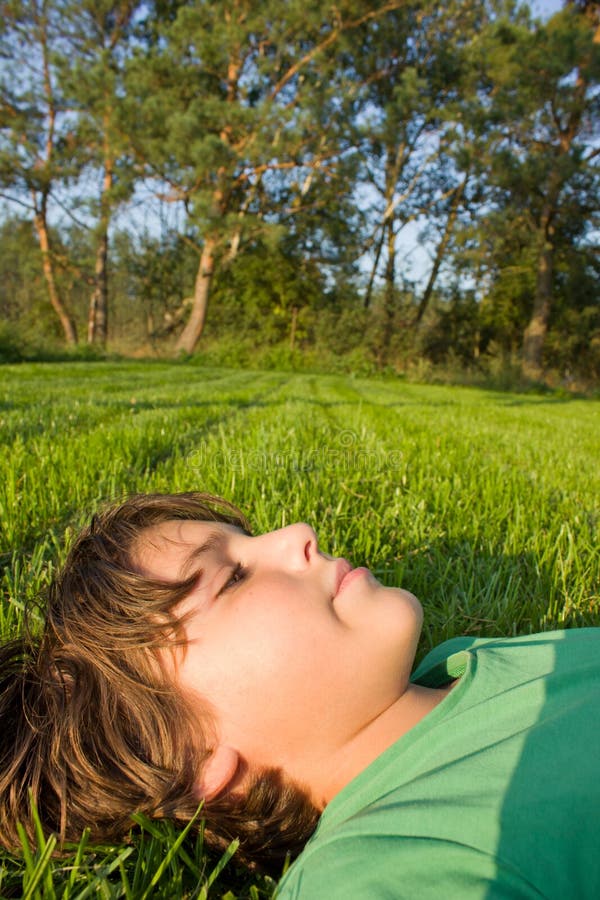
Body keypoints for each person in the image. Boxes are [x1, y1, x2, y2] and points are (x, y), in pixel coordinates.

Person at [0, 492, 598, 899]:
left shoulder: (463, 665)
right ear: (193, 763)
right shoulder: (390, 863)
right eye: (232, 576)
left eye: (246, 541)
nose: (297, 534)